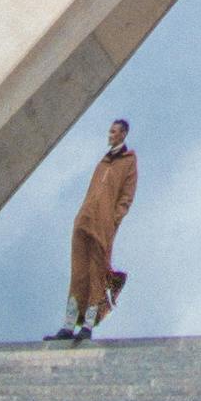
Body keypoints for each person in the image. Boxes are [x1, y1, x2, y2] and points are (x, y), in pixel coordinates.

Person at [50, 118, 137, 342]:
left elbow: (126, 198)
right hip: (84, 222)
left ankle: (88, 325)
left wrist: (112, 221)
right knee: (78, 274)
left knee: (96, 276)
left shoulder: (128, 162)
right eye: (109, 131)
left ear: (123, 134)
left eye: (114, 132)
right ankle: (68, 325)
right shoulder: (103, 162)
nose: (110, 135)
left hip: (103, 226)